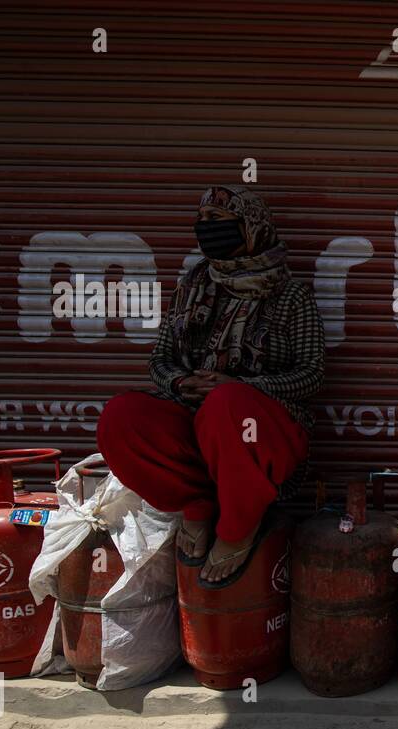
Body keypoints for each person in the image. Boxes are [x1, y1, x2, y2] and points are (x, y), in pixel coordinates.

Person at [97, 185, 323, 586]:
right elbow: (159, 359)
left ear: (251, 227)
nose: (205, 229)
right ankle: (196, 505)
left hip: (261, 429)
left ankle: (238, 528)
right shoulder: (194, 287)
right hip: (195, 418)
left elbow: (312, 374)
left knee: (228, 404)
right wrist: (182, 382)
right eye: (201, 221)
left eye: (217, 222)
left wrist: (238, 386)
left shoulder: (291, 296)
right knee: (121, 417)